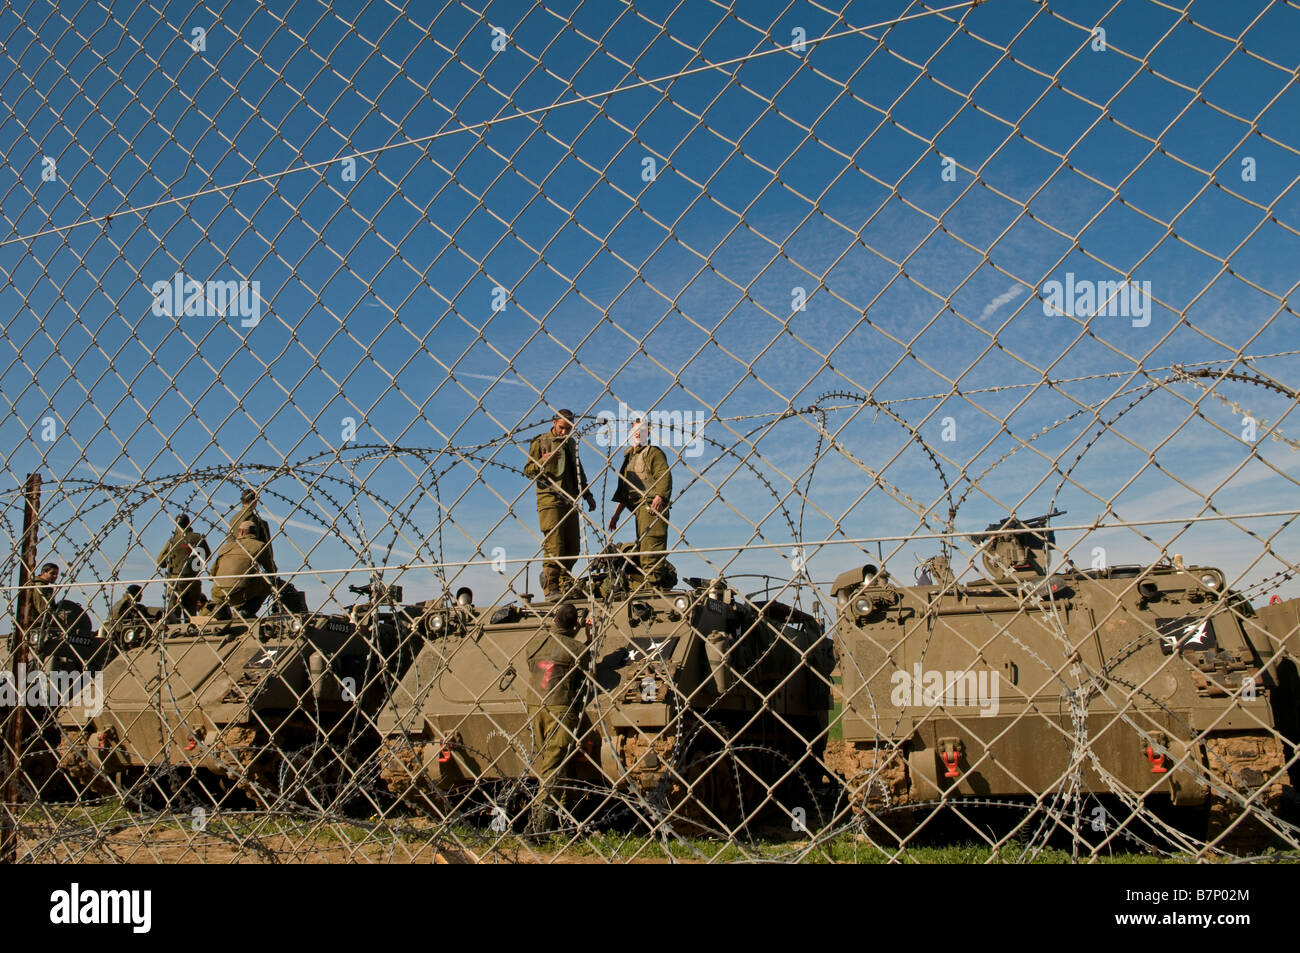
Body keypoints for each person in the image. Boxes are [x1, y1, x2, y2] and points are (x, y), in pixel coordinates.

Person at [523, 602, 591, 836]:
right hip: (560, 711)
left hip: (535, 707)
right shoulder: (576, 647)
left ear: (553, 620)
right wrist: (588, 635)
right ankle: (538, 828)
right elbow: (588, 667)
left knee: (554, 763)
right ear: (574, 625)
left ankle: (566, 820)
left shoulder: (534, 643)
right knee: (553, 768)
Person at [523, 409, 596, 600]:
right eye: (563, 427)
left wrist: (587, 494)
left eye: (569, 429)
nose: (565, 432)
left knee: (573, 548)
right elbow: (528, 470)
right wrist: (542, 462)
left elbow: (578, 471)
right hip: (550, 499)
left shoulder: (571, 443)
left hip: (570, 500)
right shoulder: (541, 442)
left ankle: (563, 582)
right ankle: (551, 585)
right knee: (554, 545)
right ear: (555, 422)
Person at [608, 417, 673, 588]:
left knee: (651, 551)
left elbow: (664, 475)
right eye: (635, 429)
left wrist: (660, 496)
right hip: (639, 510)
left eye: (642, 430)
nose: (638, 433)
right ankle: (648, 584)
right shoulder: (629, 456)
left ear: (648, 433)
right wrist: (616, 514)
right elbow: (625, 491)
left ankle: (654, 586)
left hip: (652, 508)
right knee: (643, 550)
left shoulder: (653, 453)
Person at [209, 521, 277, 617]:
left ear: (240, 532)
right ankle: (246, 611)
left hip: (218, 592)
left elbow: (211, 574)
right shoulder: (260, 546)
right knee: (267, 582)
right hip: (240, 593)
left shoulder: (225, 547)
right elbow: (271, 571)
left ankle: (220, 608)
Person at [155, 514, 210, 618]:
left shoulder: (173, 540)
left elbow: (160, 561)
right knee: (191, 612)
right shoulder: (198, 538)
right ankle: (192, 631)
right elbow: (208, 555)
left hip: (176, 580)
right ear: (189, 523)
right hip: (194, 580)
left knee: (174, 612)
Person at [229, 489, 275, 566]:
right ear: (255, 501)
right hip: (248, 559)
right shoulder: (253, 519)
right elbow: (253, 543)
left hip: (231, 557)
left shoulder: (233, 518)